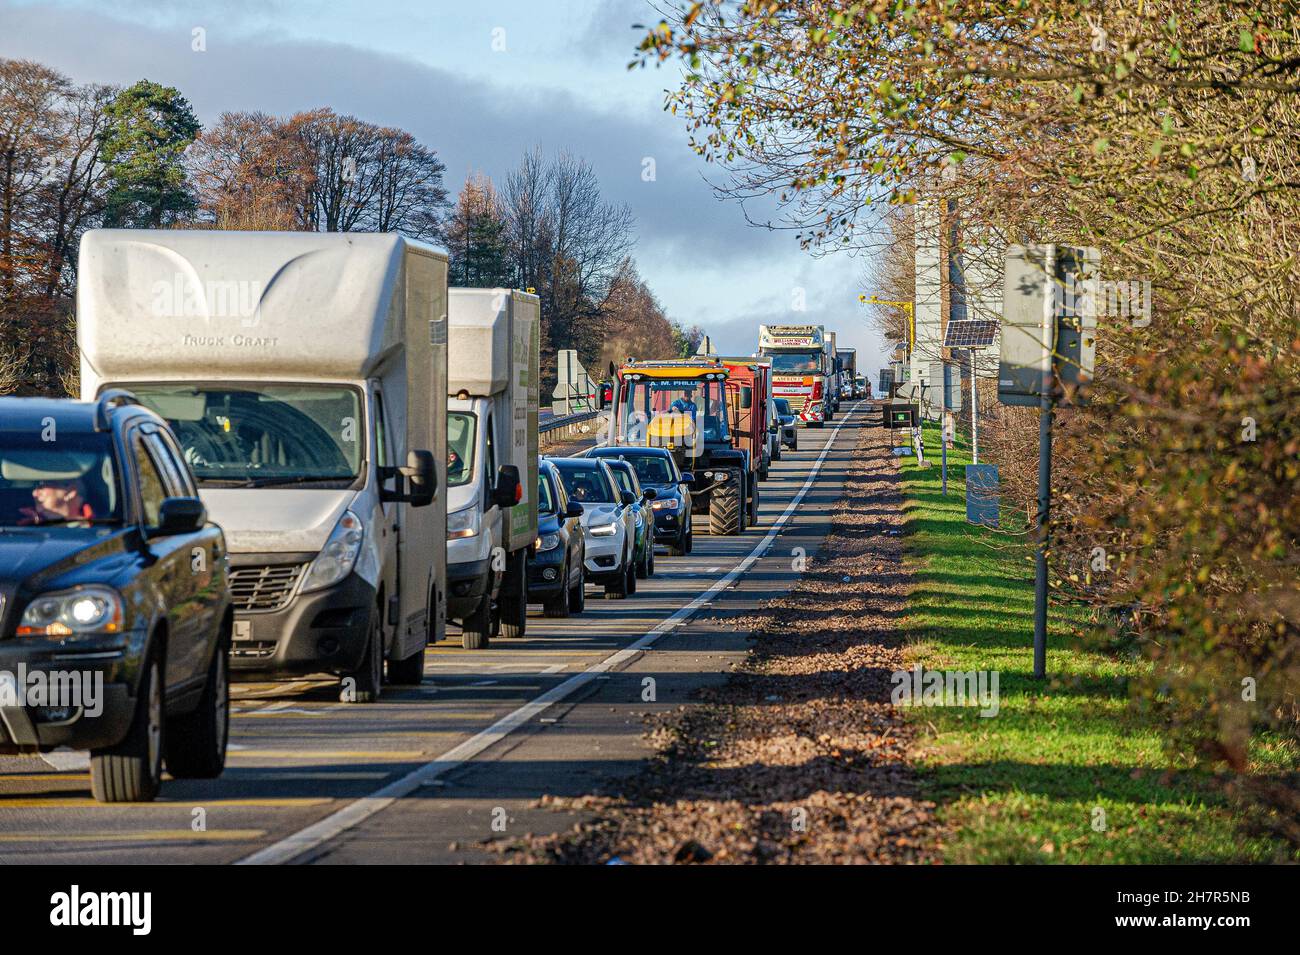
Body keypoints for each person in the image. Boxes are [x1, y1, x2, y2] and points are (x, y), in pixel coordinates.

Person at [19, 478, 95, 525]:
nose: (34, 493)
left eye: (42, 486)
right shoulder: (24, 523)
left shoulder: (99, 528)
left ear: (70, 492)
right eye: (35, 487)